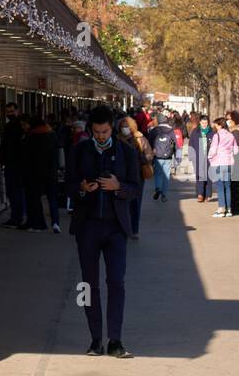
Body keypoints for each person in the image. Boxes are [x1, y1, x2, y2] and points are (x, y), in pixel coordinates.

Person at [67, 102, 140, 357]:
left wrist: (118, 187)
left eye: (105, 132)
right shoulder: (79, 151)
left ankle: (115, 340)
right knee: (87, 285)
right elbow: (66, 184)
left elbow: (136, 189)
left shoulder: (127, 153)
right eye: (97, 132)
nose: (101, 137)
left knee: (116, 283)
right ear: (91, 130)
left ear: (113, 130)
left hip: (116, 229)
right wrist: (81, 189)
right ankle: (95, 338)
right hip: (87, 227)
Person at [21, 115, 61, 232]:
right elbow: (57, 151)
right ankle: (55, 223)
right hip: (51, 172)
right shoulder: (52, 135)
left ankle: (38, 224)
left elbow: (26, 157)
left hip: (35, 174)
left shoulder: (31, 137)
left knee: (35, 198)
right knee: (52, 198)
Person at [119, 114, 153, 238]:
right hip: (122, 176)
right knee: (123, 203)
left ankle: (134, 229)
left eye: (127, 126)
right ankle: (125, 228)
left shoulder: (140, 139)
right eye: (122, 127)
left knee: (135, 203)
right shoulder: (117, 139)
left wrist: (142, 159)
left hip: (138, 176)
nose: (125, 129)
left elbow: (149, 154)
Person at [0, 102, 27, 228]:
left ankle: (16, 217)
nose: (10, 114)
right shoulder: (10, 126)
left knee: (14, 191)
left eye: (12, 111)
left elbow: (11, 146)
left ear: (17, 111)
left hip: (16, 163)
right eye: (8, 112)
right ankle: (17, 216)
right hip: (12, 163)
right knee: (14, 191)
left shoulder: (18, 126)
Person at [208, 117, 238, 217]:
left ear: (220, 125)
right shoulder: (231, 135)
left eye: (216, 125)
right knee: (227, 186)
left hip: (219, 163)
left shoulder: (217, 136)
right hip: (229, 163)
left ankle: (221, 209)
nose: (215, 126)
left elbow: (213, 150)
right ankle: (228, 209)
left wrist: (210, 158)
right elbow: (236, 150)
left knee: (220, 186)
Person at [147, 111, 177, 201]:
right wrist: (175, 154)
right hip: (168, 156)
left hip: (157, 155)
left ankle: (158, 188)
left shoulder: (154, 130)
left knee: (158, 174)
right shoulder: (171, 130)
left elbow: (149, 143)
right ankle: (164, 195)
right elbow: (175, 143)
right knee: (166, 175)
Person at [189, 113, 214, 201]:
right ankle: (200, 194)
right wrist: (191, 155)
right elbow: (191, 144)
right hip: (198, 155)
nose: (204, 124)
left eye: (206, 123)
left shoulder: (212, 132)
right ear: (200, 122)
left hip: (209, 156)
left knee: (208, 175)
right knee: (200, 175)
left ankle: (207, 194)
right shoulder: (195, 132)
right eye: (203, 122)